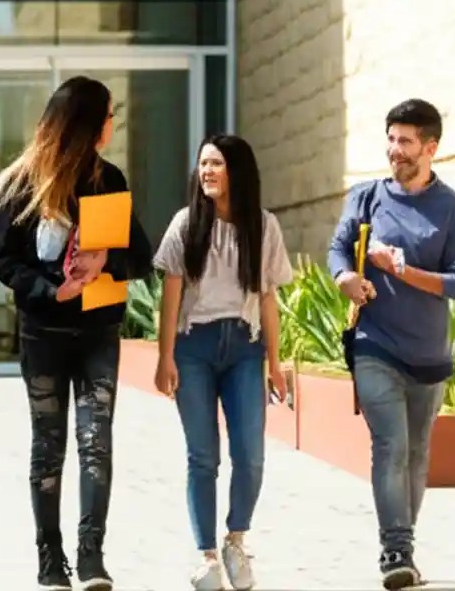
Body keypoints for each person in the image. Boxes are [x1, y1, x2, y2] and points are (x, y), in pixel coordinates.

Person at [0, 75, 153, 591]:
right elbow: (4, 261)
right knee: (48, 446)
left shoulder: (110, 179)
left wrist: (108, 258)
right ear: (88, 123)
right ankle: (49, 558)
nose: (112, 125)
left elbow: (141, 258)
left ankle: (91, 557)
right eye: (108, 116)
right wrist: (49, 289)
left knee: (96, 442)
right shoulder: (24, 184)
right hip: (45, 335)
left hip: (99, 331)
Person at [327, 99, 455, 590]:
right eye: (391, 139)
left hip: (428, 354)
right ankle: (395, 549)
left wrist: (402, 271)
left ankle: (403, 542)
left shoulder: (453, 210)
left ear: (430, 148)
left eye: (406, 142)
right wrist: (346, 276)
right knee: (390, 445)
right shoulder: (367, 196)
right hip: (375, 343)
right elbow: (337, 247)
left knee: (416, 455)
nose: (396, 150)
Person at [151, 134, 295, 591]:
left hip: (244, 348)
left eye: (216, 164)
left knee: (250, 455)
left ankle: (236, 539)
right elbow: (170, 294)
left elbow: (268, 299)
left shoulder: (263, 226)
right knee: (203, 457)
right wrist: (165, 356)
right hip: (193, 347)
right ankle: (207, 557)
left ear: (237, 170)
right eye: (203, 165)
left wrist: (275, 362)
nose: (208, 172)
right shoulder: (185, 224)